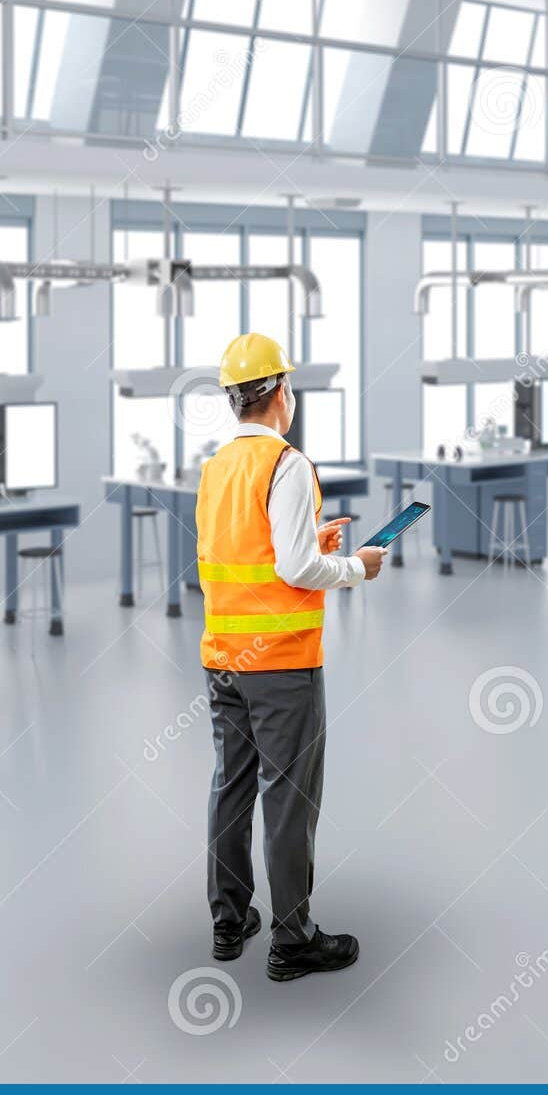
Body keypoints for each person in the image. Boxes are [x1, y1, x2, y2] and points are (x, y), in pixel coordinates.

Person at [197, 332, 384, 982]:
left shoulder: (217, 467)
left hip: (224, 657)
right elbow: (298, 566)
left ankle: (229, 920)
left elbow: (255, 557)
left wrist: (312, 540)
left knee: (232, 784)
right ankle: (293, 938)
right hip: (281, 662)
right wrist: (354, 566)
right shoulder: (288, 464)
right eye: (290, 385)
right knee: (289, 795)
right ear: (280, 391)